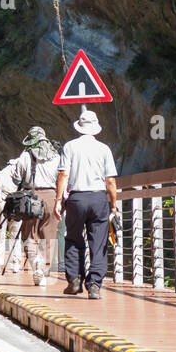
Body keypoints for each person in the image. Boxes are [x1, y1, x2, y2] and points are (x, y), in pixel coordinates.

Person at [55, 109, 118, 299]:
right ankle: (94, 285)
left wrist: (59, 200)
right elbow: (111, 181)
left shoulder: (70, 147)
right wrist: (113, 206)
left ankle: (74, 279)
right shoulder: (104, 149)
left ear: (79, 128)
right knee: (98, 243)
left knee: (74, 238)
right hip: (99, 198)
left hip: (76, 198)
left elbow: (63, 174)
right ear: (96, 128)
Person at [11, 126, 62, 286]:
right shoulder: (56, 156)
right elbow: (61, 176)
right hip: (52, 196)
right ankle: (45, 267)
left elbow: (17, 179)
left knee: (30, 235)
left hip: (30, 198)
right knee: (49, 235)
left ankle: (36, 265)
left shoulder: (25, 156)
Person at [0, 157, 20, 272]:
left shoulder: (1, 173)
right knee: (15, 235)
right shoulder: (20, 174)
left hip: (2, 204)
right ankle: (15, 264)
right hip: (17, 206)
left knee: (0, 235)